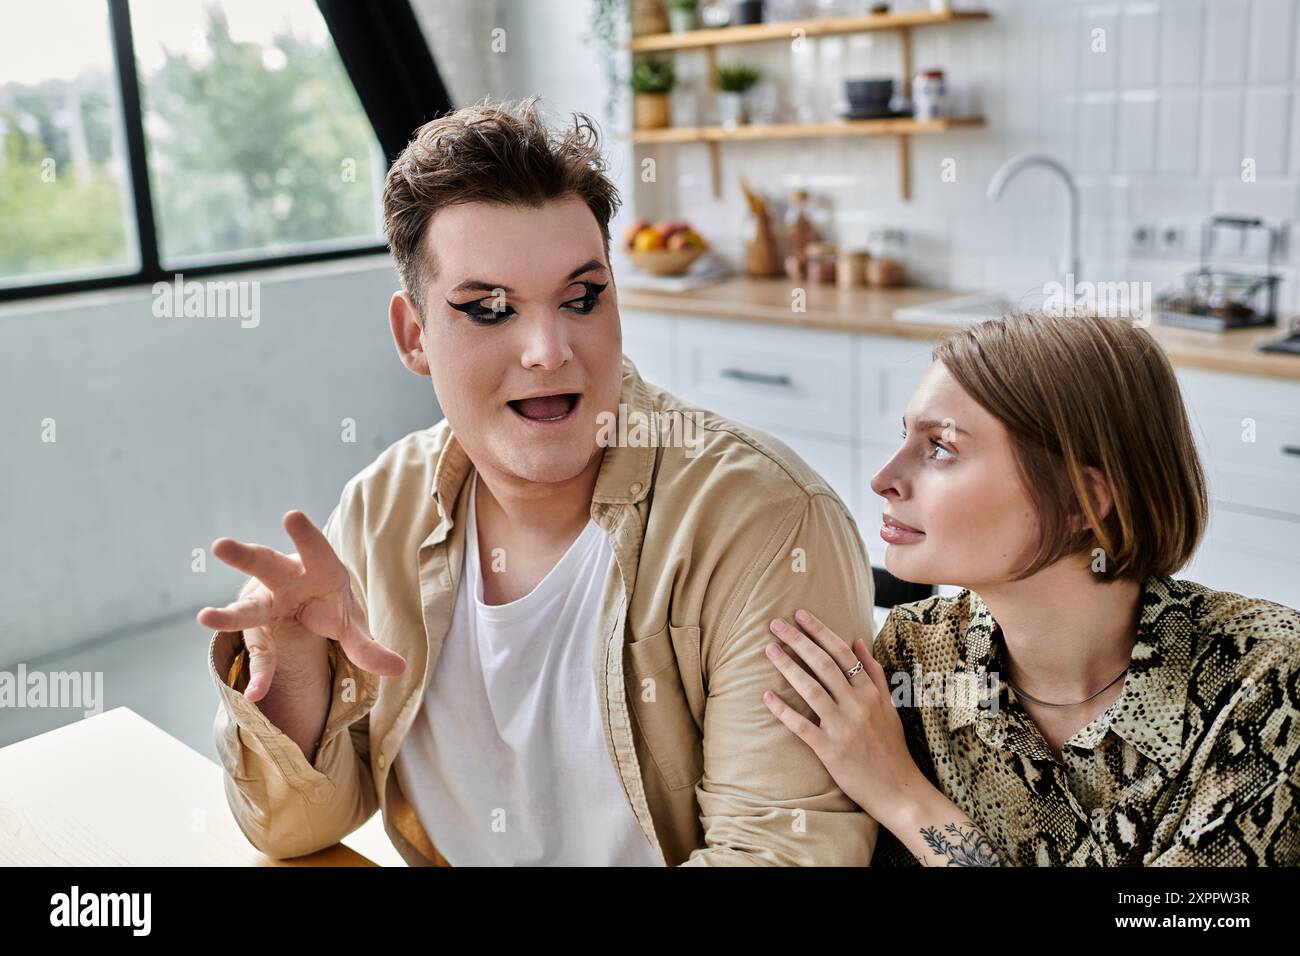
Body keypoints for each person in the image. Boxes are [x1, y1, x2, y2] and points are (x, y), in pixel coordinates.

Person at [197, 95, 878, 866]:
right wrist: (289, 656)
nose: (550, 350)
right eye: (490, 309)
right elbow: (291, 830)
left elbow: (784, 853)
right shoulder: (380, 506)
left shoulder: (769, 524)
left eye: (582, 297)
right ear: (414, 335)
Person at [762, 310, 1300, 865]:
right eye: (904, 436)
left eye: (941, 447)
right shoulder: (912, 658)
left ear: (1080, 501)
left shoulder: (1266, 679)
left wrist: (905, 799)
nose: (884, 479)